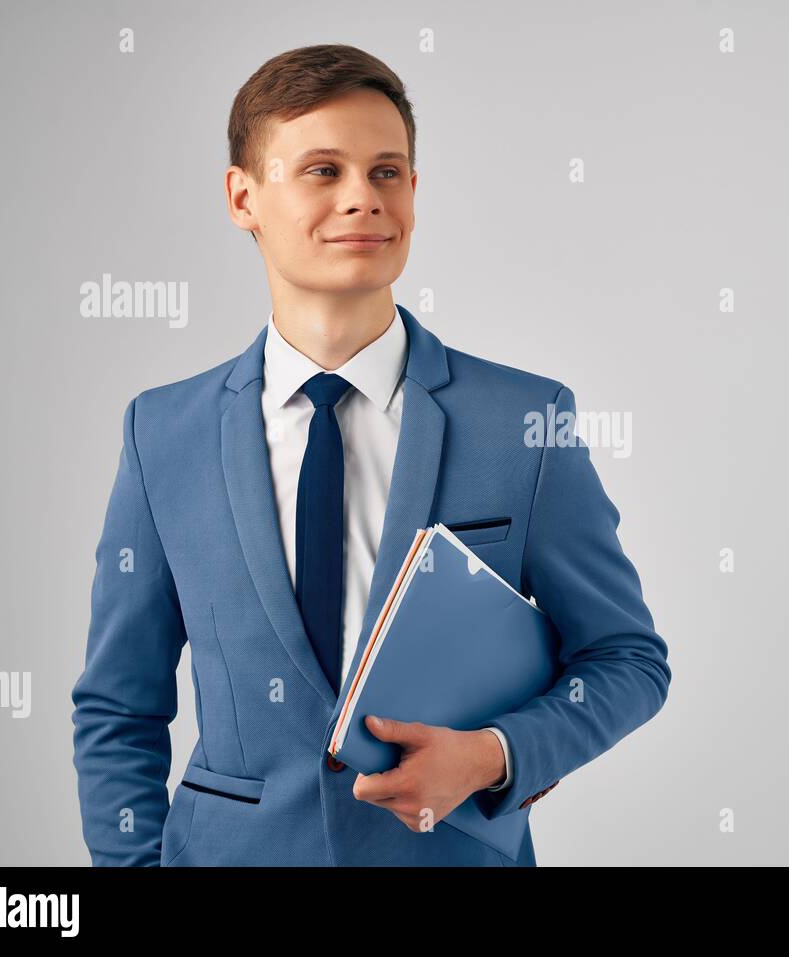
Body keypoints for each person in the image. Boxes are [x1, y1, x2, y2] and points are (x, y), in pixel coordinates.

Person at [70, 43, 670, 866]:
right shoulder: (161, 433)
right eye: (323, 170)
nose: (363, 198)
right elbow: (118, 706)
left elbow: (626, 659)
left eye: (387, 172)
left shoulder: (526, 420)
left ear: (414, 192)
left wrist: (496, 753)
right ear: (243, 197)